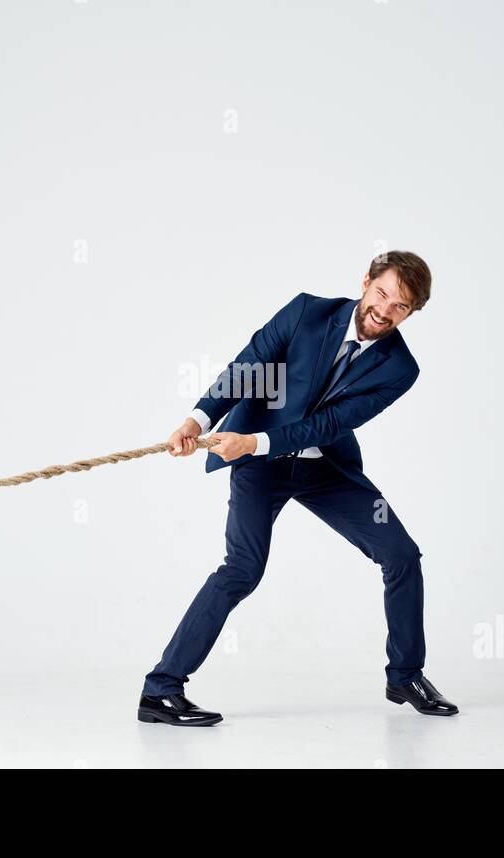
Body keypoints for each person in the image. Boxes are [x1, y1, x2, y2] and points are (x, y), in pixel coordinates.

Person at [138, 251, 458, 726]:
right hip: (257, 467)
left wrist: (254, 441)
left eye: (401, 307)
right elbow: (249, 366)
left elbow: (330, 423)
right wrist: (197, 419)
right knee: (242, 570)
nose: (385, 310)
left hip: (323, 468)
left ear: (411, 314)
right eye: (382, 294)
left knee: (402, 554)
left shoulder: (399, 369)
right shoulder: (309, 312)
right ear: (366, 281)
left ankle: (405, 674)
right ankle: (160, 691)